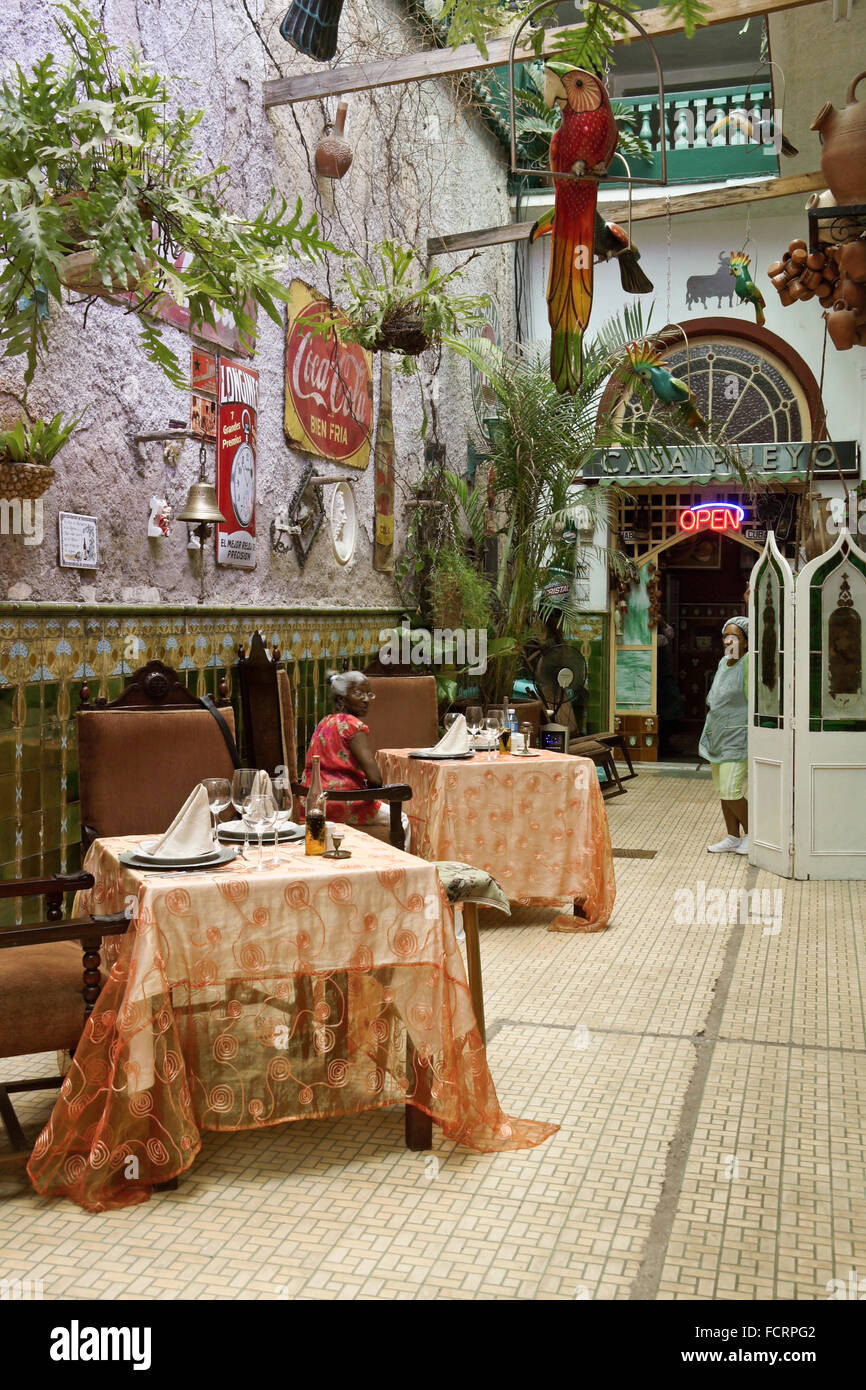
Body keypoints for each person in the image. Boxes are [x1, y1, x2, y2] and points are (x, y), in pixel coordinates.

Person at [303, 671, 409, 845]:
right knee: (402, 818)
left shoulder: (324, 722)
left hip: (313, 805)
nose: (366, 699)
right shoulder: (352, 726)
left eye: (369, 694)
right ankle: (405, 870)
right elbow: (376, 779)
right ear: (341, 700)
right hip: (344, 804)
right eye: (358, 694)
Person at [699, 616, 750, 855]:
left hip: (737, 737)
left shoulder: (749, 662)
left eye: (736, 637)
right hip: (717, 735)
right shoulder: (723, 663)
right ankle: (732, 836)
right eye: (726, 636)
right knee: (723, 790)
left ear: (747, 642)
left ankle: (753, 835)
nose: (729, 641)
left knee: (732, 789)